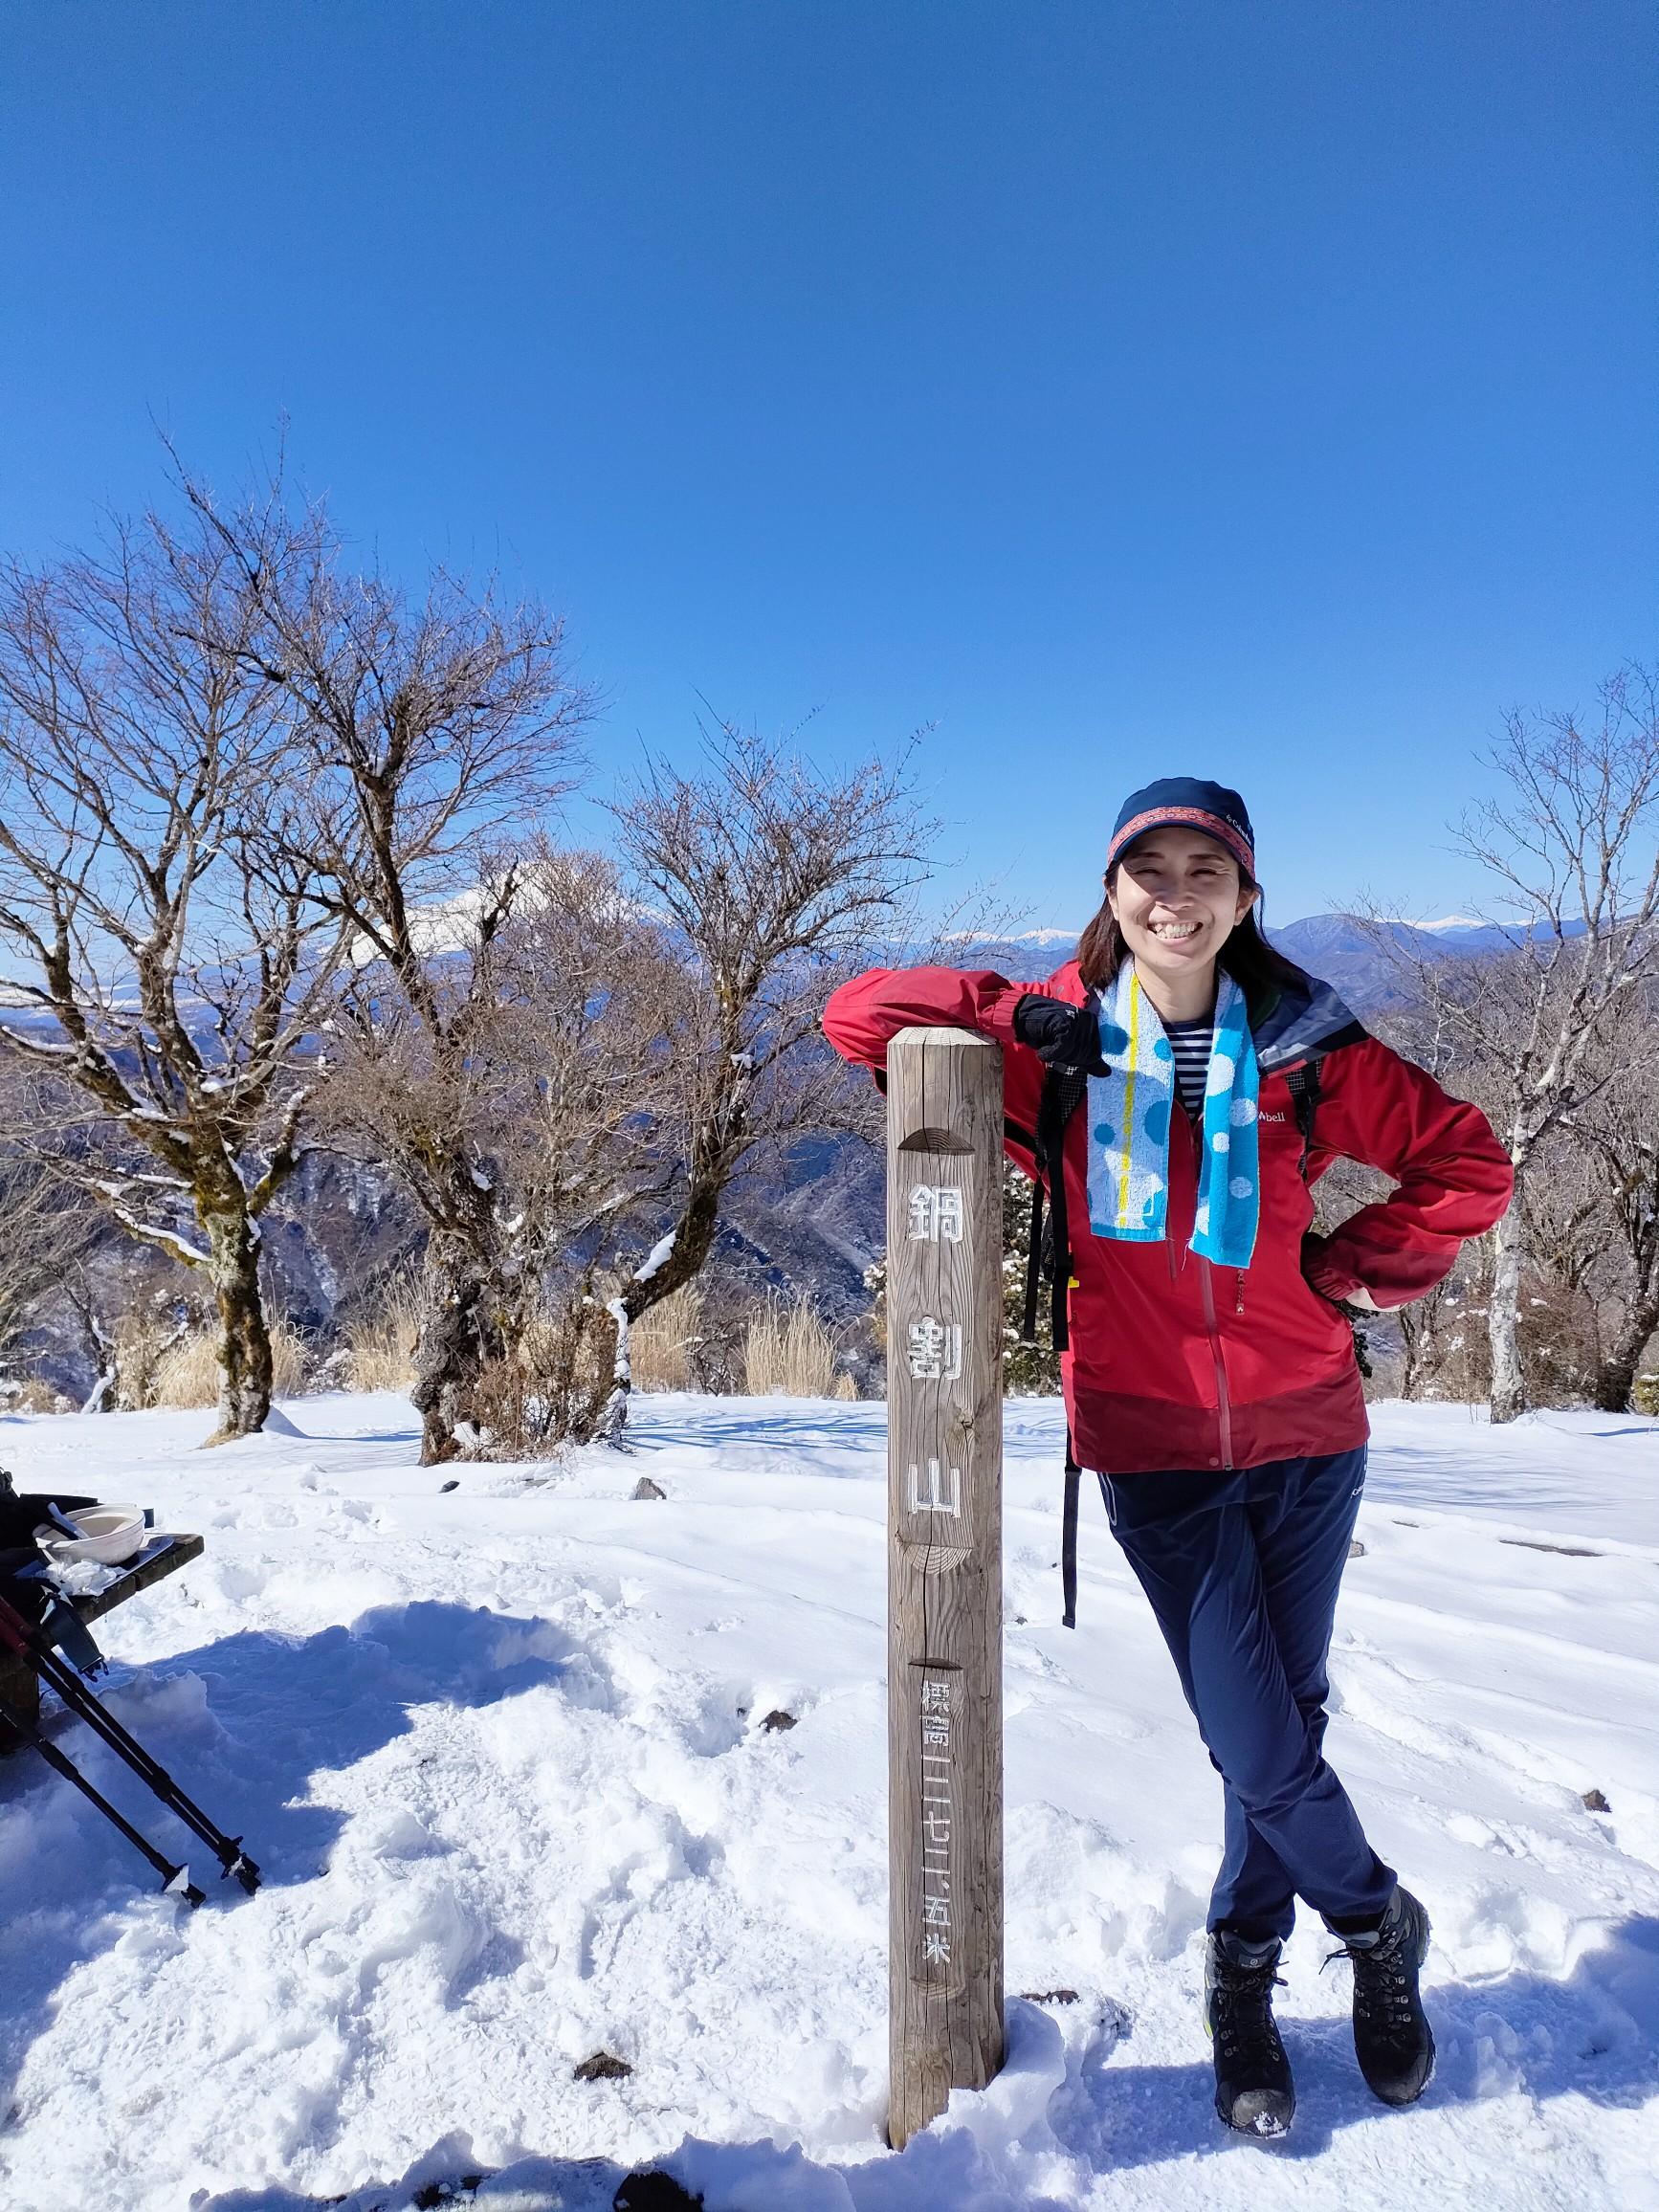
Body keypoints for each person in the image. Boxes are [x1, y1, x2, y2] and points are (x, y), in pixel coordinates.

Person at [821, 776, 1514, 2139]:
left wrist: (1353, 1275)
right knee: (1251, 1730)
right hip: (1150, 1448)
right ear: (1111, 889)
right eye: (1150, 866)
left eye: (1207, 867)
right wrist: (1012, 1012)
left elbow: (1468, 1166)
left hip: (1307, 1430)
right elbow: (856, 1017)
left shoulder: (1310, 1051)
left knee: (1278, 1730)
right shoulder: (1060, 1051)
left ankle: (1241, 1986)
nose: (1176, 892)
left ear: (1246, 894)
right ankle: (1377, 1923)